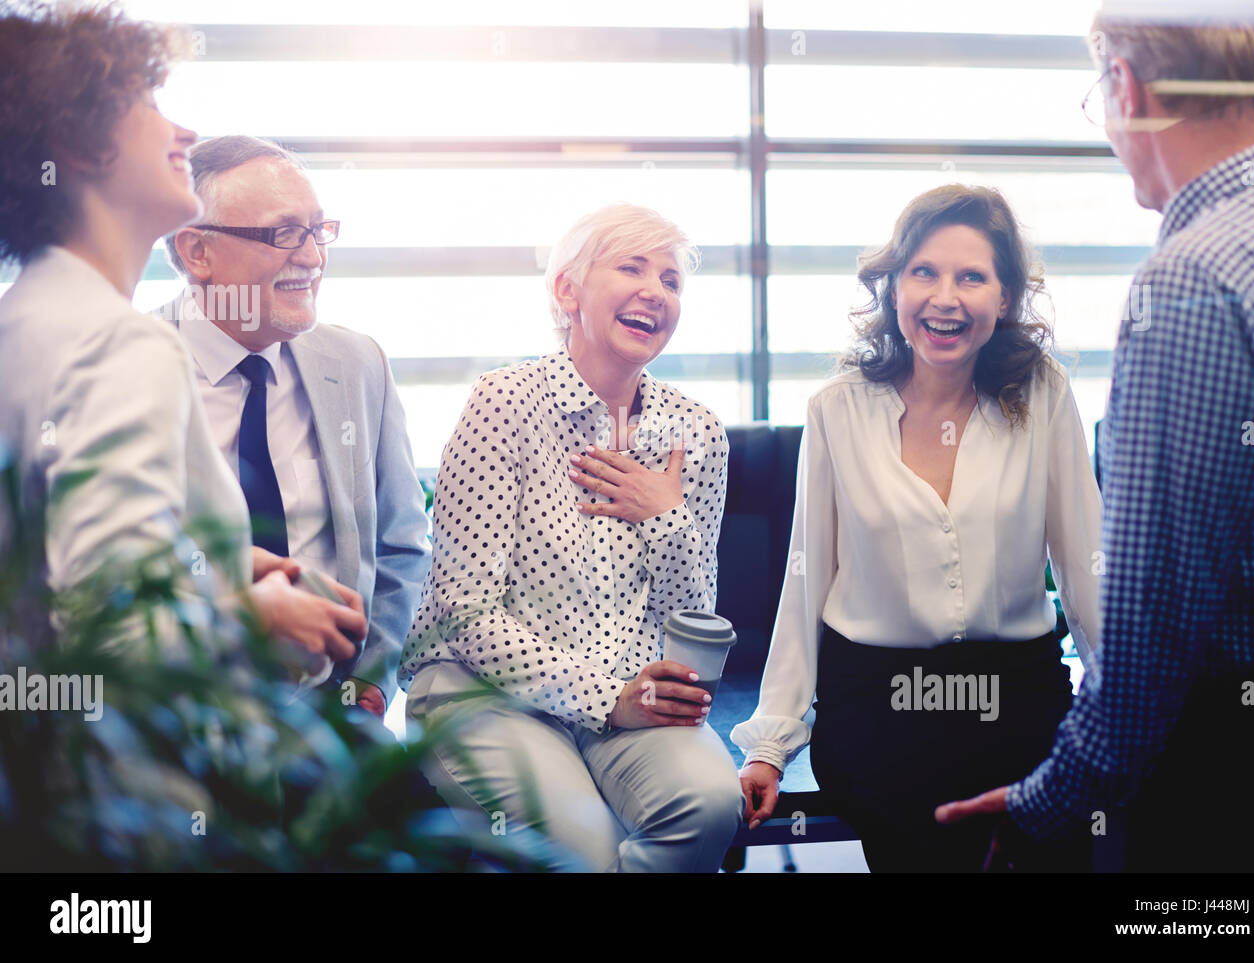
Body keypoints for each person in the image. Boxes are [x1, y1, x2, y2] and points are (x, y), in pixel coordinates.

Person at [936, 0, 1254, 873]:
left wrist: (1049, 804)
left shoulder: (1193, 282)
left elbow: (1155, 613)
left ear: (1126, 85)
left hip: (1238, 762)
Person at [733, 185, 1103, 872]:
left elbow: (1086, 562)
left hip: (1015, 687)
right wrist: (770, 742)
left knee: (1057, 839)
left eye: (972, 276)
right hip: (879, 696)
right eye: (924, 272)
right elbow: (805, 578)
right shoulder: (836, 408)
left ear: (1005, 297)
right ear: (893, 285)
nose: (945, 297)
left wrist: (1121, 704)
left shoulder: (1043, 390)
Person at [0, 2, 365, 677]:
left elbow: (52, 564)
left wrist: (221, 558)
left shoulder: (22, 318)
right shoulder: (120, 346)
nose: (185, 131)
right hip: (128, 771)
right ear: (82, 146)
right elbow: (110, 629)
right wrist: (260, 614)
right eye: (148, 103)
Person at [401, 204, 743, 871]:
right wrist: (602, 698)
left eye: (671, 280)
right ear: (568, 290)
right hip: (483, 690)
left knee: (708, 802)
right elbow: (464, 612)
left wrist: (664, 513)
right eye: (631, 267)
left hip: (631, 689)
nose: (655, 290)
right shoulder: (504, 403)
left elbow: (693, 617)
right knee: (585, 850)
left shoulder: (696, 430)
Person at [159, 135, 431, 716]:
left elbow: (401, 548)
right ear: (197, 252)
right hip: (178, 715)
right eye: (283, 234)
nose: (311, 257)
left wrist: (373, 684)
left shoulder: (358, 364)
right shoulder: (122, 365)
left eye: (318, 230)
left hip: (335, 713)